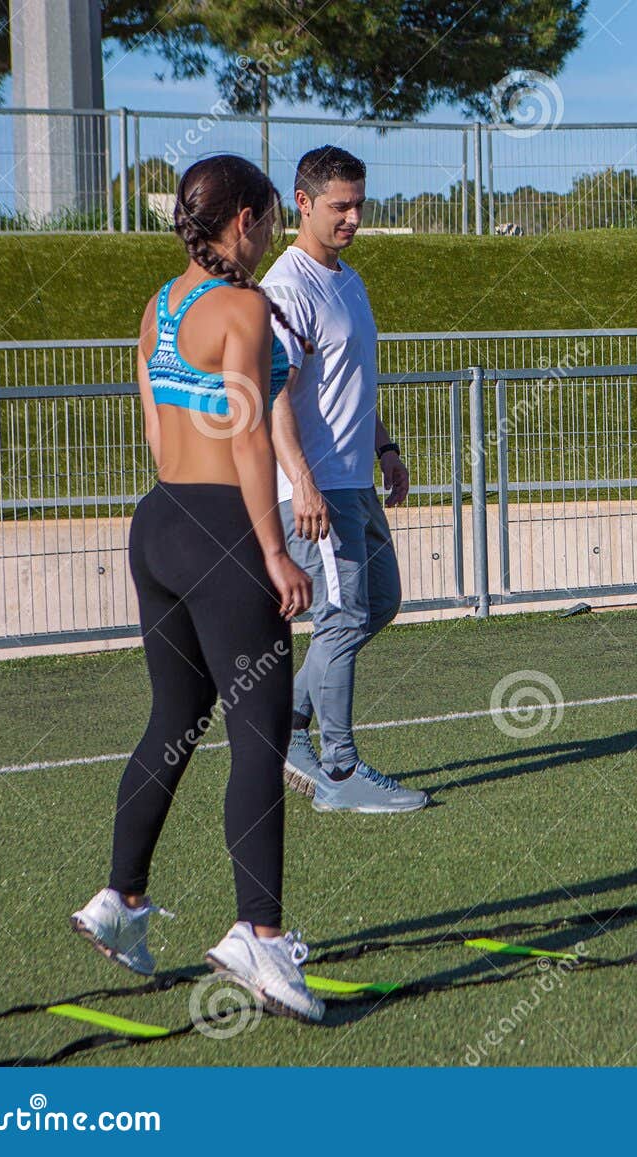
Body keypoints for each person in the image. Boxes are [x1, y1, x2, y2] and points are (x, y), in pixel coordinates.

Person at [71, 154, 324, 1023]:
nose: (272, 236)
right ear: (245, 222)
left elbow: (153, 421)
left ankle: (122, 900)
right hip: (222, 529)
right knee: (259, 736)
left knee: (174, 719)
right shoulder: (244, 307)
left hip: (161, 522)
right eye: (268, 220)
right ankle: (259, 932)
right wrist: (273, 551)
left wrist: (192, 515)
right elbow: (251, 440)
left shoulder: (159, 305)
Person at [262, 145, 426, 813]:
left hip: (358, 478)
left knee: (378, 602)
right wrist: (301, 482)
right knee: (340, 616)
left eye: (360, 203)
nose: (354, 217)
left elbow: (350, 381)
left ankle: (286, 725)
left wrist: (386, 447)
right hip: (317, 487)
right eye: (341, 206)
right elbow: (275, 395)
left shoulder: (348, 280)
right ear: (303, 203)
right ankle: (338, 773)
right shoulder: (287, 287)